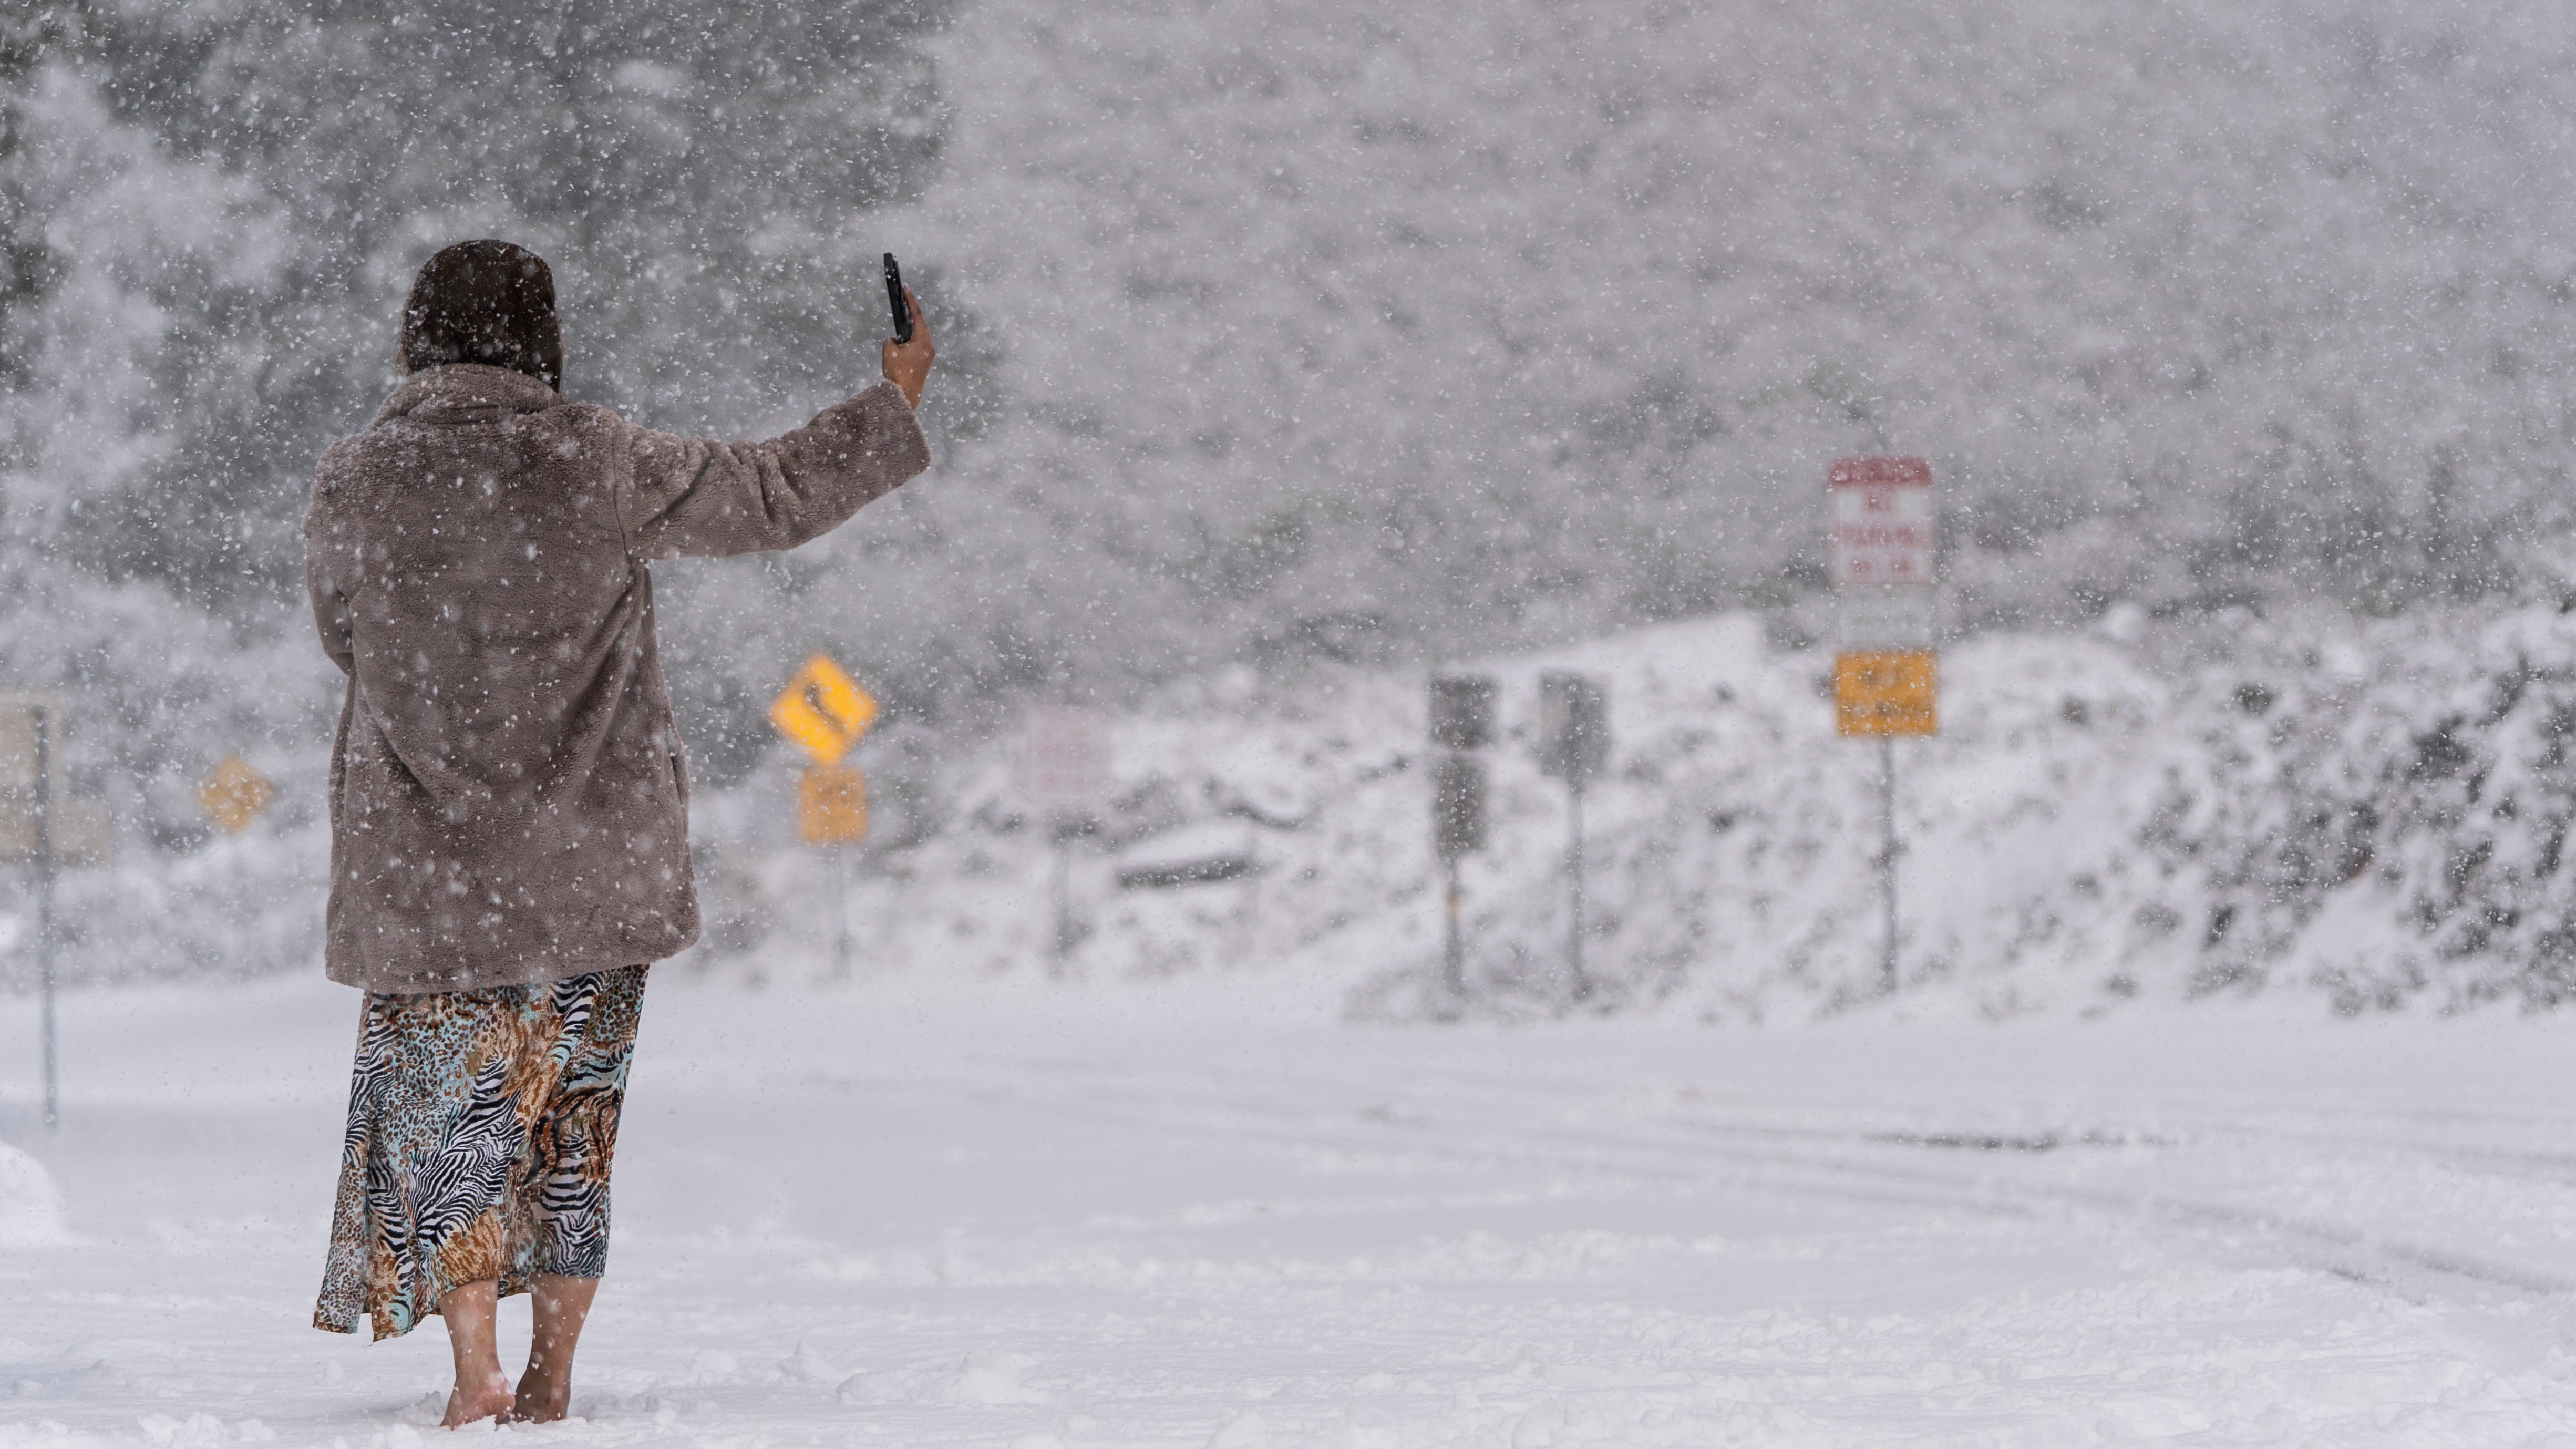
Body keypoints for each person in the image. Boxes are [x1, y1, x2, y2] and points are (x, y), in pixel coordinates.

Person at [303, 239, 934, 1427]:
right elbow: (772, 492)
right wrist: (894, 395)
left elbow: (344, 632)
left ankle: (473, 1366)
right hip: (593, 868)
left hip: (435, 880)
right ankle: (552, 1372)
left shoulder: (357, 477)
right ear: (539, 335)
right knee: (571, 1120)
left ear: (417, 335)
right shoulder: (595, 457)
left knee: (454, 1118)